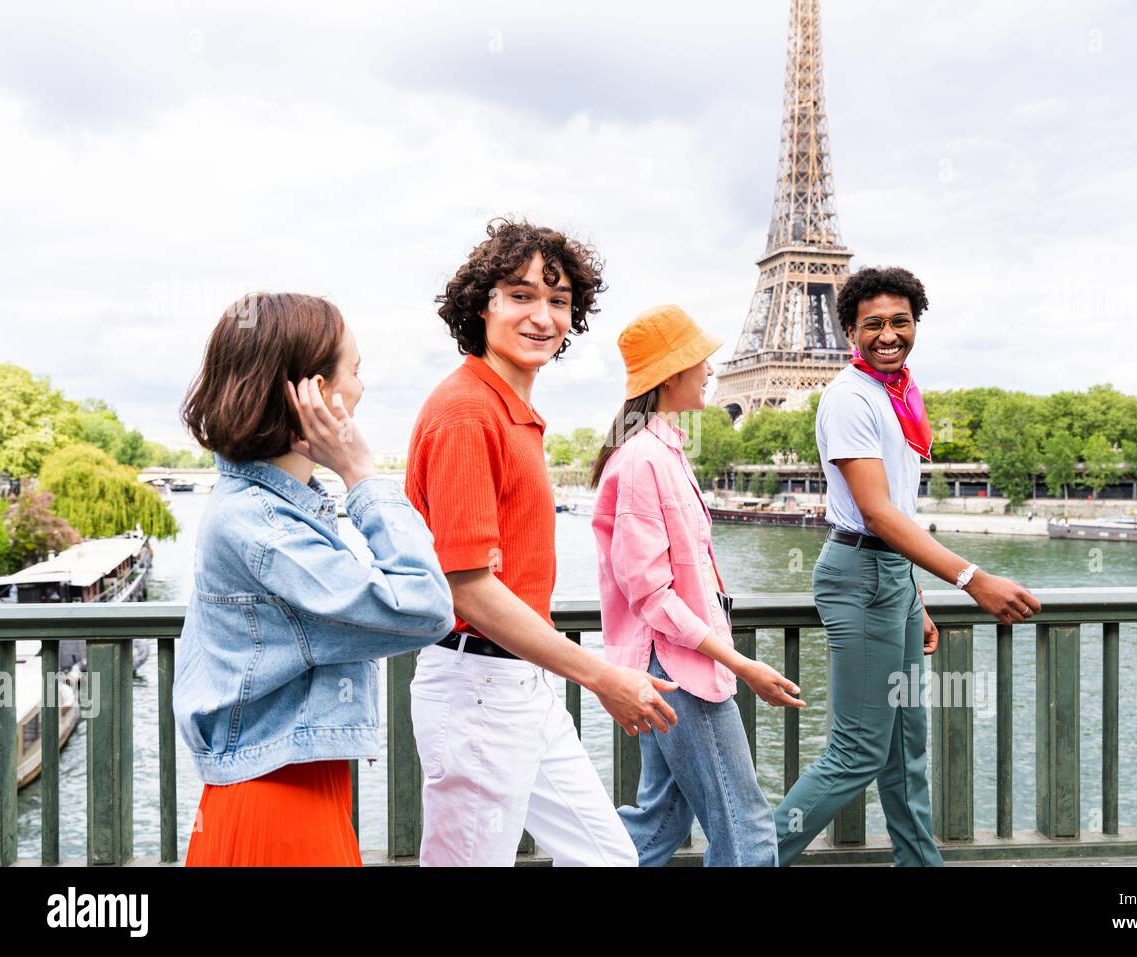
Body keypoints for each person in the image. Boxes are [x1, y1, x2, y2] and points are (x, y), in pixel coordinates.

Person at [406, 220, 678, 867]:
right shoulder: (466, 410)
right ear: (482, 305)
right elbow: (469, 585)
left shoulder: (511, 412)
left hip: (516, 681)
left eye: (558, 300)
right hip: (477, 682)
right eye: (520, 294)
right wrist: (604, 676)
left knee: (609, 859)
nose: (543, 315)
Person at [175, 292, 456, 866]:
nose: (359, 388)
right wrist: (359, 473)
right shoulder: (265, 528)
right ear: (313, 393)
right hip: (279, 806)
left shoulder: (270, 509)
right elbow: (425, 607)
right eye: (353, 371)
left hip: (287, 785)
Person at [774, 267, 1042, 866]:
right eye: (874, 324)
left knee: (904, 746)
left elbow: (897, 511)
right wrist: (973, 580)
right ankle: (749, 859)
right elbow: (875, 512)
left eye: (901, 321)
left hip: (888, 579)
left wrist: (914, 597)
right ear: (850, 329)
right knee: (858, 751)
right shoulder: (850, 397)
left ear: (915, 324)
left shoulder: (898, 397)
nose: (888, 334)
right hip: (861, 577)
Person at [591, 304, 804, 866]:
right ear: (672, 373)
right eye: (700, 359)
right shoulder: (644, 460)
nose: (712, 369)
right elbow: (654, 595)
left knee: (660, 820)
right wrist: (742, 664)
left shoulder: (657, 452)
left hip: (668, 663)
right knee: (747, 828)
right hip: (679, 667)